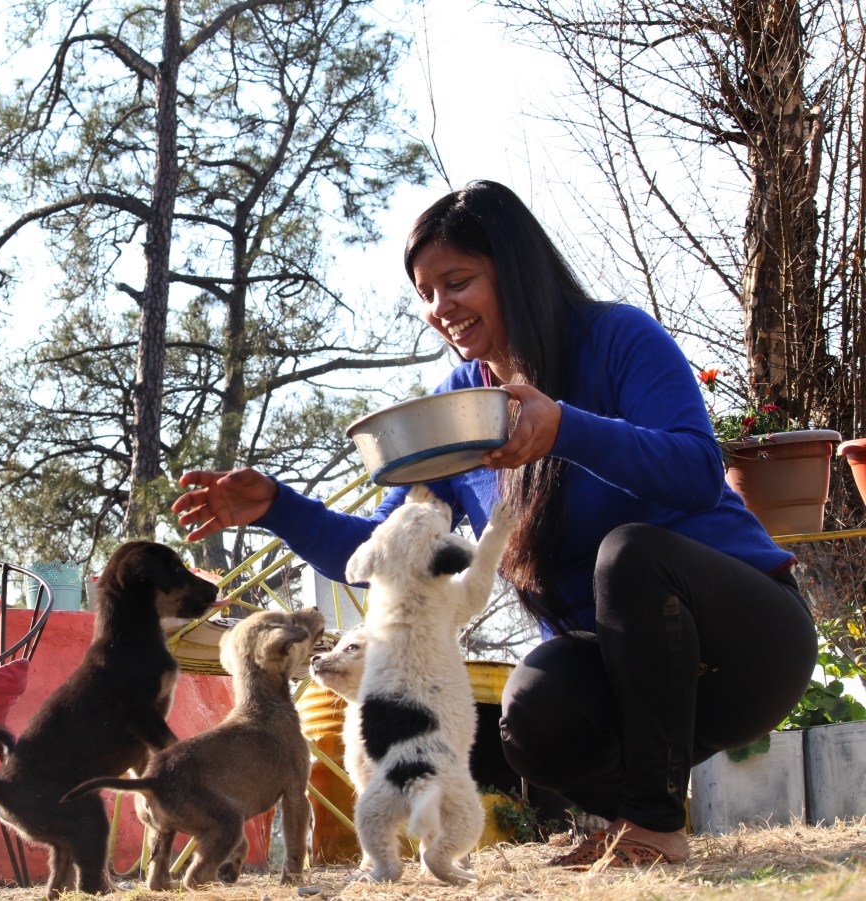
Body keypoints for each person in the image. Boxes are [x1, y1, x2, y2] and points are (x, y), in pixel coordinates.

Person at [171, 180, 817, 868]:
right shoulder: (460, 409)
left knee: (629, 555)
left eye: (457, 282)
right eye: (426, 294)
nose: (439, 309)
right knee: (531, 711)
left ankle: (654, 827)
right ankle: (635, 818)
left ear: (515, 269)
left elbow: (694, 468)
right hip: (631, 676)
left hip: (749, 641)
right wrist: (277, 505)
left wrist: (565, 428)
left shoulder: (618, 337)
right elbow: (379, 553)